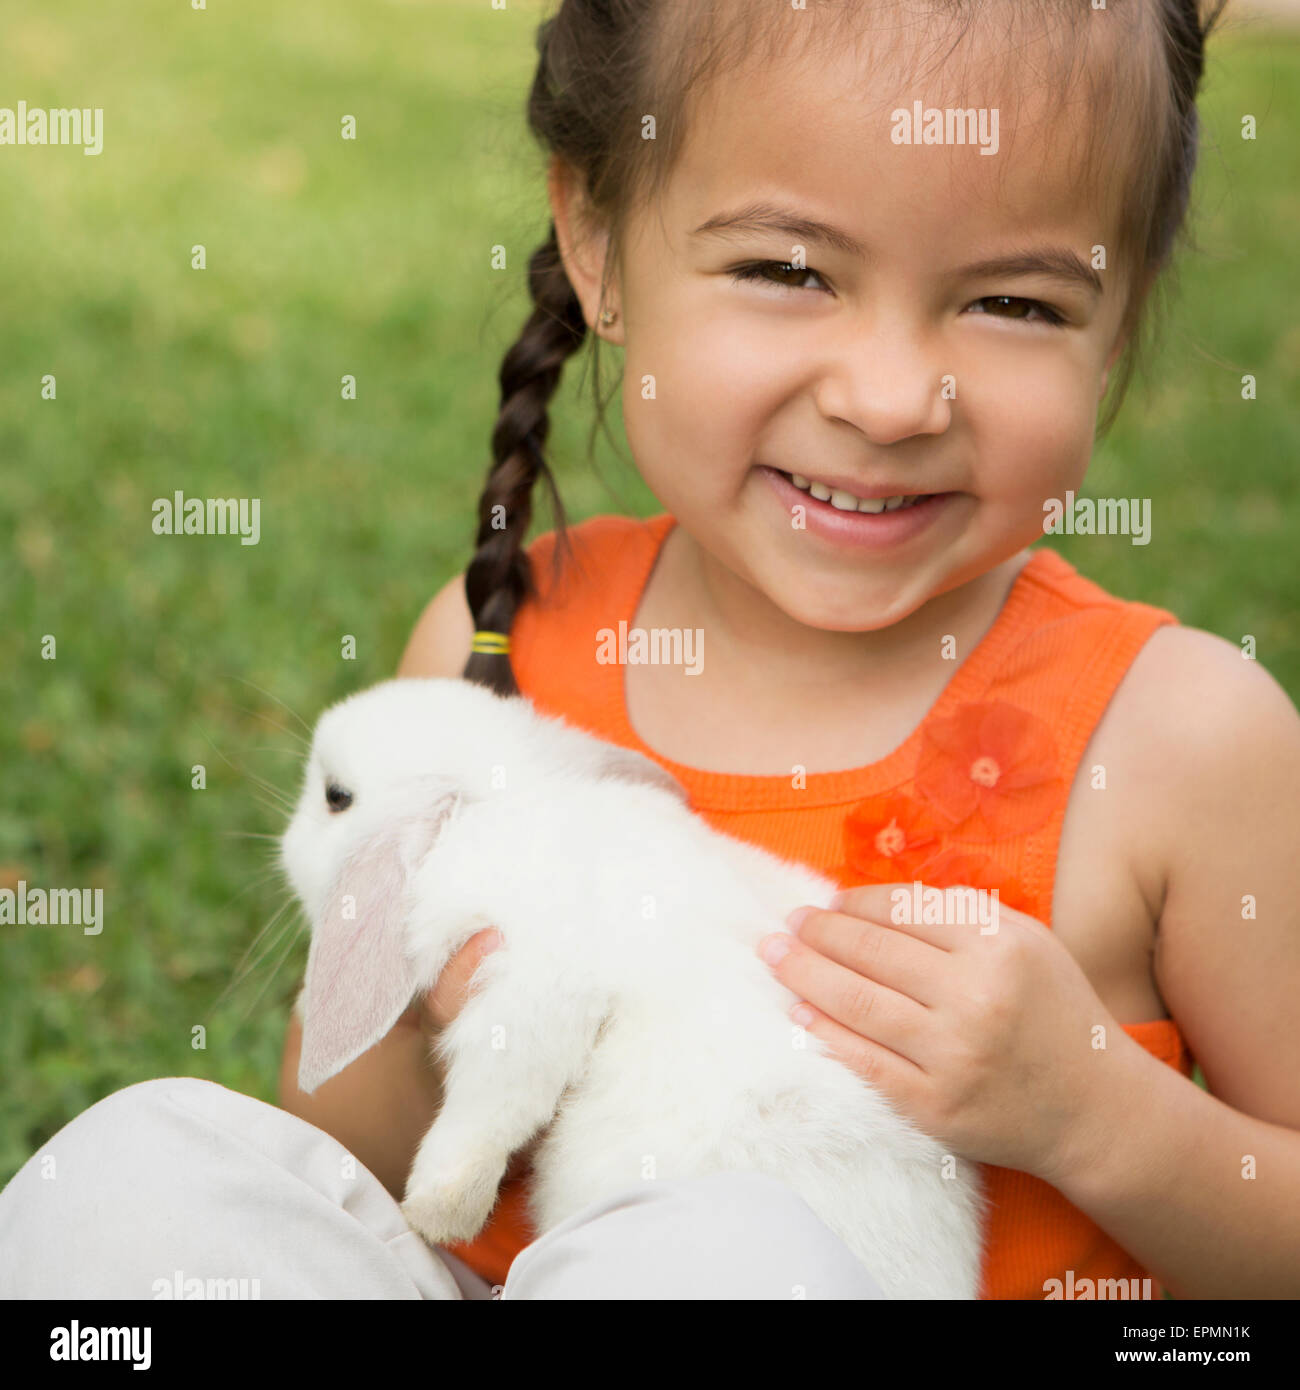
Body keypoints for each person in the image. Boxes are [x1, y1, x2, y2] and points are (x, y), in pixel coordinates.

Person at [5, 0, 1298, 1301]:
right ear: (598, 245)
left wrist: (1098, 1115)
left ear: (1119, 313)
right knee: (130, 1182)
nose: (894, 395)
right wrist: (436, 999)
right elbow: (347, 1145)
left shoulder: (1183, 741)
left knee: (720, 1256)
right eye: (789, 271)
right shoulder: (497, 650)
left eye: (1016, 300)